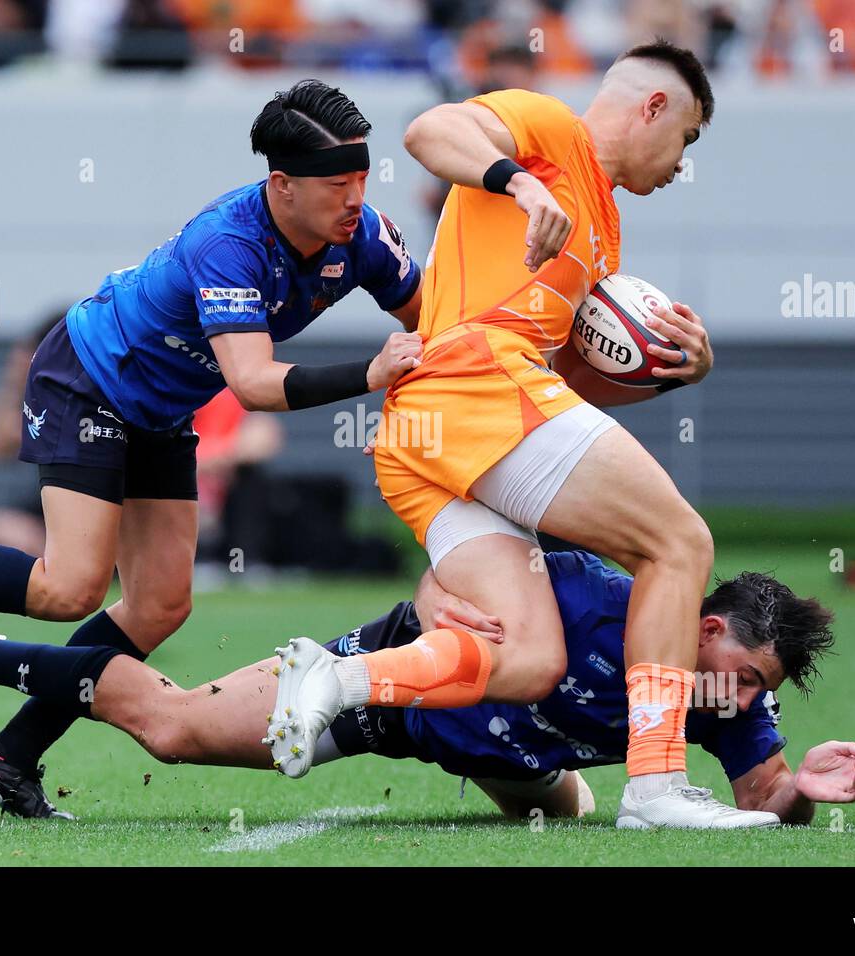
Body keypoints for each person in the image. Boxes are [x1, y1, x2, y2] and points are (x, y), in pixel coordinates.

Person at [0, 78, 423, 818]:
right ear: (282, 185)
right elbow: (255, 383)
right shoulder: (229, 243)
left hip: (161, 409)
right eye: (337, 183)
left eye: (361, 178)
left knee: (161, 605)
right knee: (67, 588)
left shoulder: (361, 236)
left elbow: (431, 317)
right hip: (90, 379)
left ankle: (9, 755)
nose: (356, 197)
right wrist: (372, 373)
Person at [264, 41, 765, 829]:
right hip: (477, 393)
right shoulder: (547, 126)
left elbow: (566, 386)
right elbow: (428, 130)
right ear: (654, 107)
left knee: (531, 659)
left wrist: (676, 370)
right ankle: (657, 786)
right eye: (688, 138)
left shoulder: (604, 225)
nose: (680, 162)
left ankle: (337, 680)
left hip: (437, 431)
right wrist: (521, 182)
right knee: (677, 544)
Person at [0, 550, 855, 828]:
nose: (740, 703)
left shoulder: (729, 698)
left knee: (558, 793)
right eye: (738, 677)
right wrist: (434, 601)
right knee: (175, 726)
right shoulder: (591, 597)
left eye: (759, 692)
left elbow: (756, 794)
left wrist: (801, 792)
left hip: (506, 749)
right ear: (699, 628)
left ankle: (536, 778)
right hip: (384, 698)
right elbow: (459, 567)